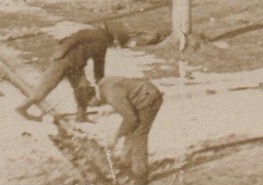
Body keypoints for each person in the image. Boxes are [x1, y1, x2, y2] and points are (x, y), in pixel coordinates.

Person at [15, 22, 159, 122]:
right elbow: (75, 38)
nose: (114, 44)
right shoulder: (95, 34)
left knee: (83, 88)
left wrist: (100, 81)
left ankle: (81, 116)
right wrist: (61, 52)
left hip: (76, 66)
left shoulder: (102, 44)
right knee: (47, 86)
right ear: (112, 37)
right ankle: (24, 107)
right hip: (63, 61)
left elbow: (99, 64)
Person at [94, 75, 164, 184]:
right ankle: (126, 162)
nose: (93, 107)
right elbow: (126, 93)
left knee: (138, 135)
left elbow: (131, 118)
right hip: (144, 92)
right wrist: (115, 109)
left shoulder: (111, 96)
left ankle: (140, 175)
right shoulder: (104, 82)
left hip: (150, 99)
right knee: (130, 130)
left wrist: (115, 138)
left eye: (91, 105)